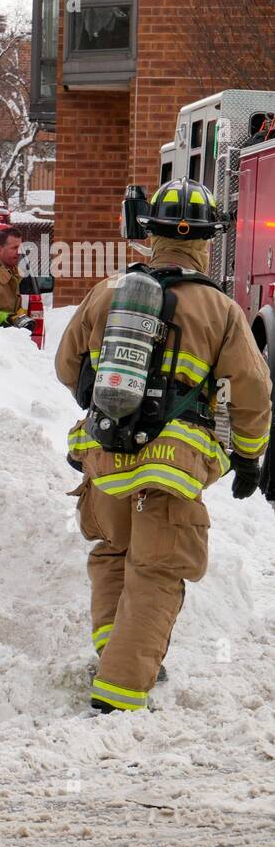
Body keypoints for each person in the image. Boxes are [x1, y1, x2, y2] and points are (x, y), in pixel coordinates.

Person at [55, 178, 272, 713]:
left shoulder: (108, 291)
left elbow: (67, 367)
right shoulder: (220, 310)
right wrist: (248, 457)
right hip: (170, 466)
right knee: (157, 571)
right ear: (208, 239)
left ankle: (116, 652)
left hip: (104, 454)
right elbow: (252, 391)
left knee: (113, 552)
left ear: (147, 232)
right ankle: (119, 695)